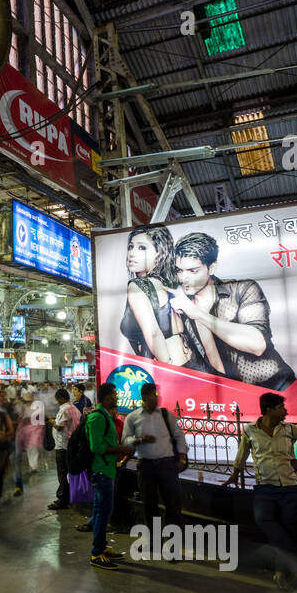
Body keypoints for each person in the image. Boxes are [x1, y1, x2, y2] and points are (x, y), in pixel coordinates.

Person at [169, 232, 296, 388]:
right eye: (179, 271)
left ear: (212, 268)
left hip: (277, 388)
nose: (183, 279)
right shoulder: (181, 305)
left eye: (193, 271)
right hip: (230, 396)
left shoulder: (242, 289)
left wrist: (197, 314)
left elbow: (257, 345)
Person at [225, 393, 297, 590]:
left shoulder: (289, 429)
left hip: (292, 487)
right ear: (269, 409)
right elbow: (242, 454)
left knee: (288, 530)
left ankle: (281, 573)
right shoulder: (250, 430)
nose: (285, 411)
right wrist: (235, 474)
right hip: (265, 488)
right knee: (263, 518)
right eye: (281, 407)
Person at [122, 383, 189, 547]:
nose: (156, 397)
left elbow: (179, 436)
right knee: (150, 505)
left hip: (167, 465)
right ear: (144, 397)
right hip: (146, 467)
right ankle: (155, 539)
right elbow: (125, 441)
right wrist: (139, 440)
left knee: (172, 504)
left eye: (156, 394)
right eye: (153, 394)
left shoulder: (166, 415)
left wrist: (181, 458)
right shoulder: (133, 417)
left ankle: (175, 541)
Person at [119, 224, 186, 363]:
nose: (132, 253)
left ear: (159, 253)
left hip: (172, 365)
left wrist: (168, 367)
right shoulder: (169, 283)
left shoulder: (137, 286)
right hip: (190, 360)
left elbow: (153, 333)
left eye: (142, 248)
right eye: (131, 247)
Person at [83, 384, 128, 568]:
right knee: (103, 512)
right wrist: (119, 449)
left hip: (107, 470)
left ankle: (101, 547)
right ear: (107, 397)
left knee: (102, 510)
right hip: (101, 471)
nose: (116, 398)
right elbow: (96, 447)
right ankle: (96, 553)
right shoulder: (97, 417)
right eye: (114, 395)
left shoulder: (106, 416)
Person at [47, 388, 81, 510]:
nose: (57, 402)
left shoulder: (64, 409)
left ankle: (62, 500)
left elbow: (59, 427)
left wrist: (51, 421)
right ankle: (69, 496)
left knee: (62, 473)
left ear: (61, 398)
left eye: (57, 400)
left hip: (62, 445)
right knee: (68, 473)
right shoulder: (75, 409)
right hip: (72, 446)